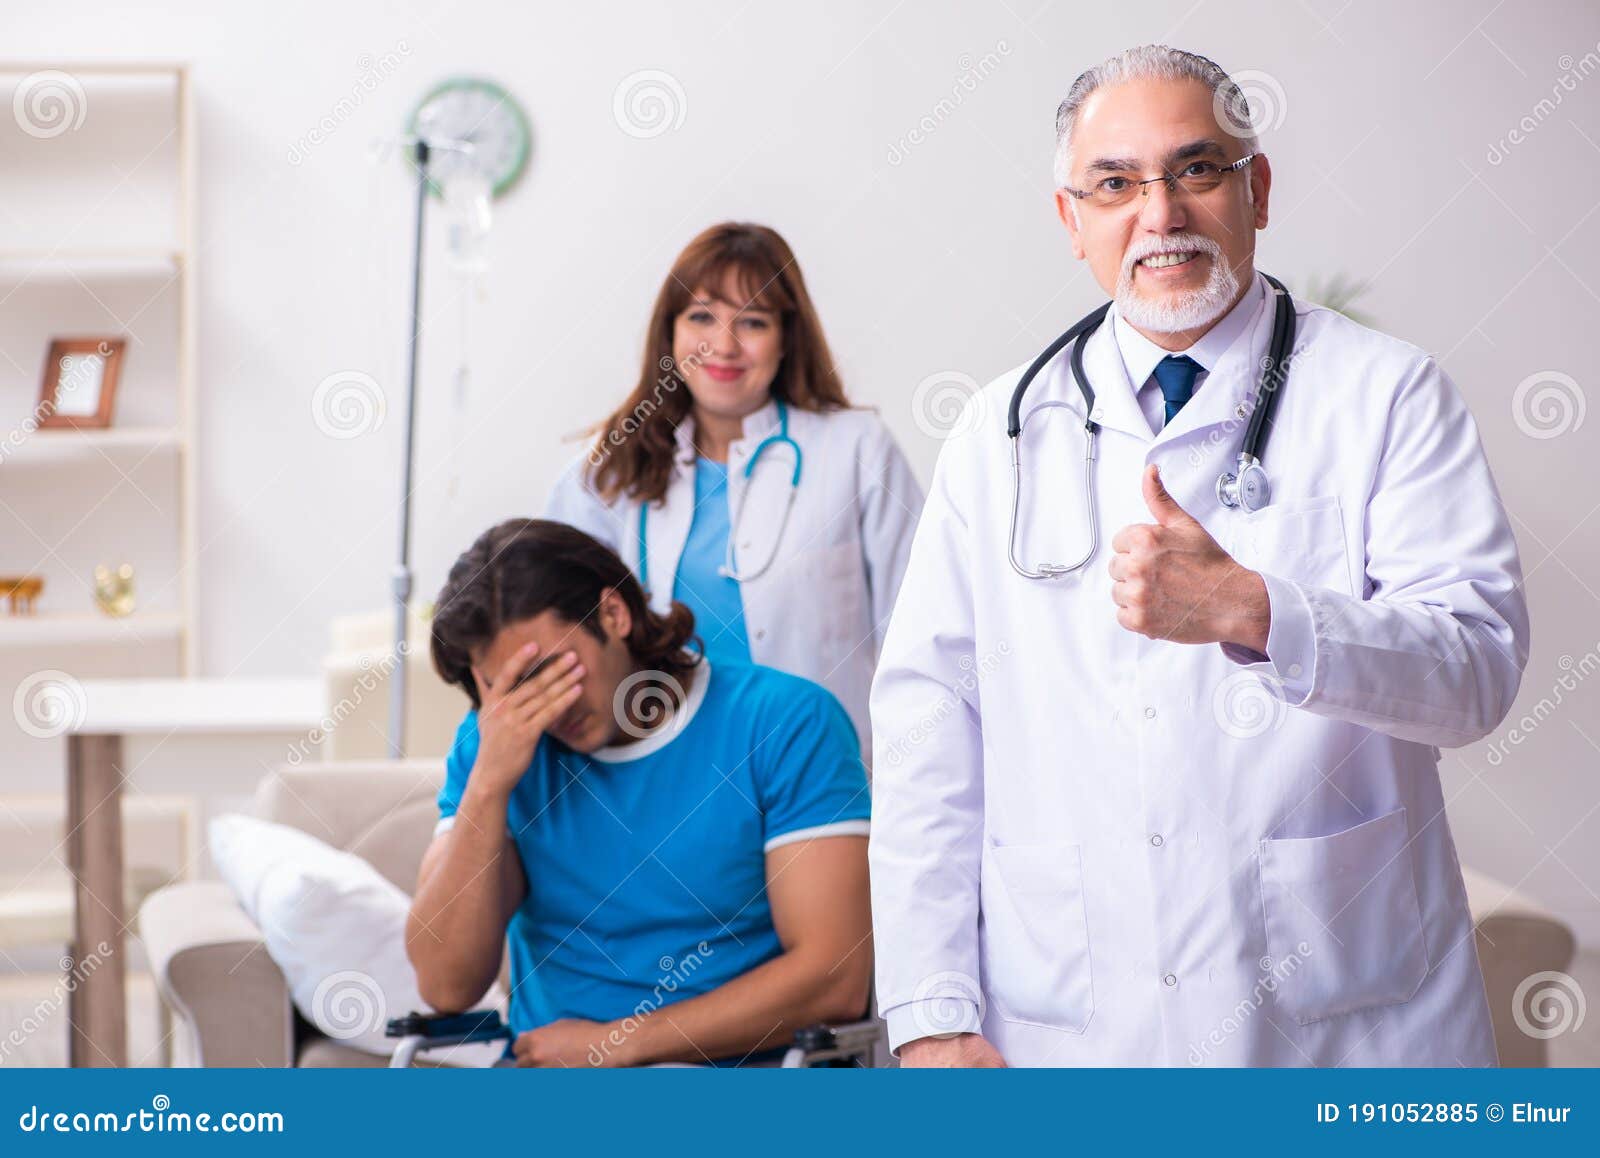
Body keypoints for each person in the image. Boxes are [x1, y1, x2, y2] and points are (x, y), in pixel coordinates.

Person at [868, 45, 1529, 1067]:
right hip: (1068, 1023)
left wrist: (1259, 611)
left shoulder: (1385, 394)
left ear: (1255, 189)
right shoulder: (997, 431)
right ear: (1070, 220)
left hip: (1346, 1028)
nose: (1160, 213)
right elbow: (928, 728)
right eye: (1115, 184)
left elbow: (1475, 672)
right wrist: (930, 1011)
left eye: (1197, 169)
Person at [406, 519, 872, 1066]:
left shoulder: (784, 723)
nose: (545, 706)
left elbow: (835, 979)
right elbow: (445, 986)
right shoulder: (496, 745)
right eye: (510, 686)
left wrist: (616, 1045)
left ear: (613, 614)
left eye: (549, 669)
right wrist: (487, 786)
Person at [544, 222, 923, 750]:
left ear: (787, 337)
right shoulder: (612, 466)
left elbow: (921, 635)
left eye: (753, 322)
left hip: (818, 764)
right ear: (670, 331)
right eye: (701, 316)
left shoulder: (857, 449)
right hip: (664, 763)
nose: (722, 346)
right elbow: (559, 624)